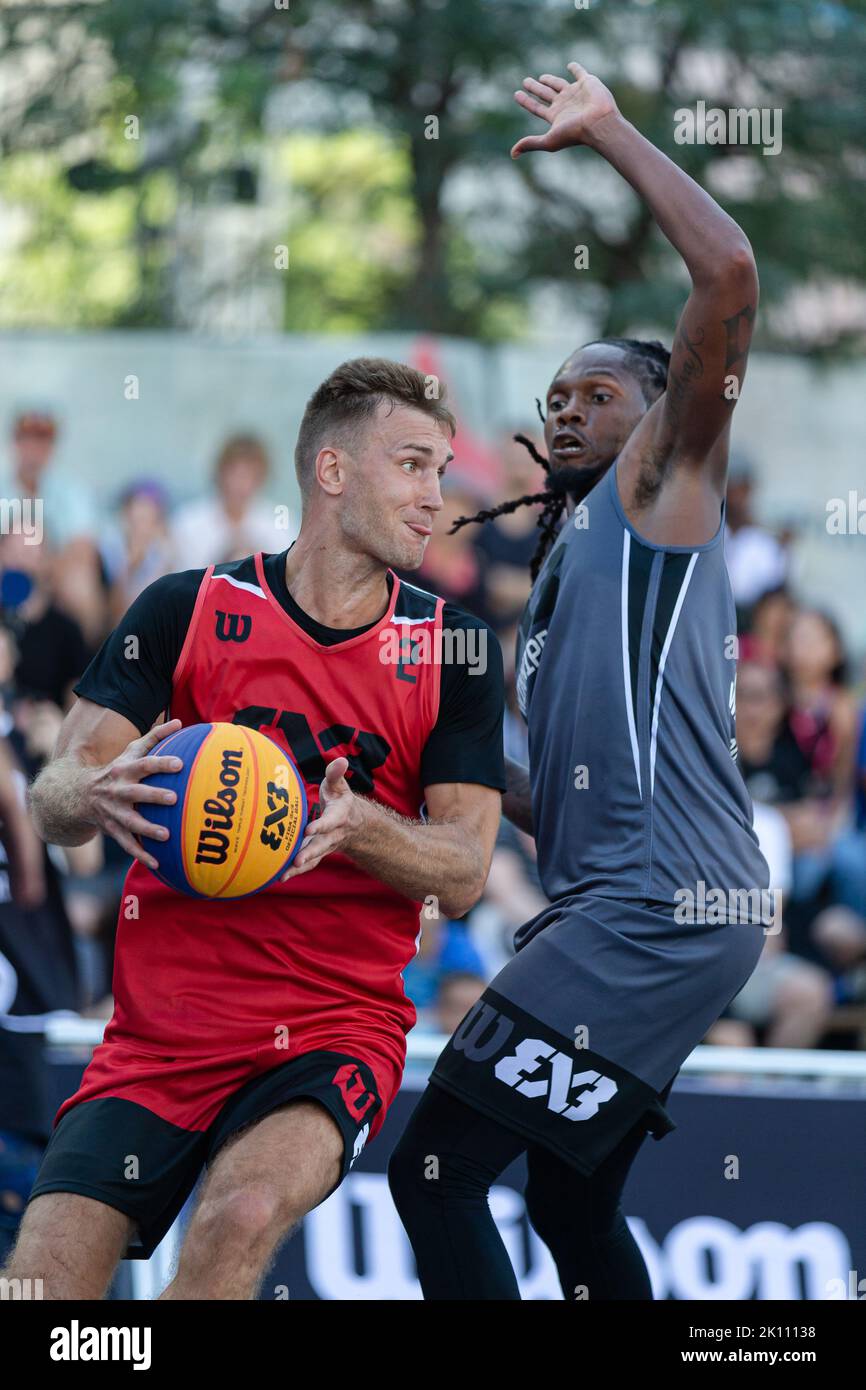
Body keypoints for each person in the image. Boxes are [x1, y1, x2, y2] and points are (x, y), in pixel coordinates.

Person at [389, 60, 770, 1301]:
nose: (563, 413)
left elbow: (728, 278)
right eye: (552, 398)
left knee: (435, 1169)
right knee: (565, 1192)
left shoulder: (658, 487)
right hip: (650, 896)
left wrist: (610, 133)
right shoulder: (569, 563)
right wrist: (431, 761)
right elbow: (567, 799)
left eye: (595, 393)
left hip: (651, 907)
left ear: (662, 410)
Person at [3, 358, 506, 1300]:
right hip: (162, 1037)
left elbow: (466, 869)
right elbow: (53, 795)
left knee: (238, 1218)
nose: (437, 498)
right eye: (413, 465)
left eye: (442, 472)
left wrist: (357, 827)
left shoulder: (454, 650)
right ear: (332, 472)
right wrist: (95, 795)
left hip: (332, 1028)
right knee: (42, 1275)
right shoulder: (186, 608)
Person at [170, 433, 295, 568]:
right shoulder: (187, 521)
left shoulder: (280, 522)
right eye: (235, 473)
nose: (241, 484)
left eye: (250, 475)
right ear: (220, 473)